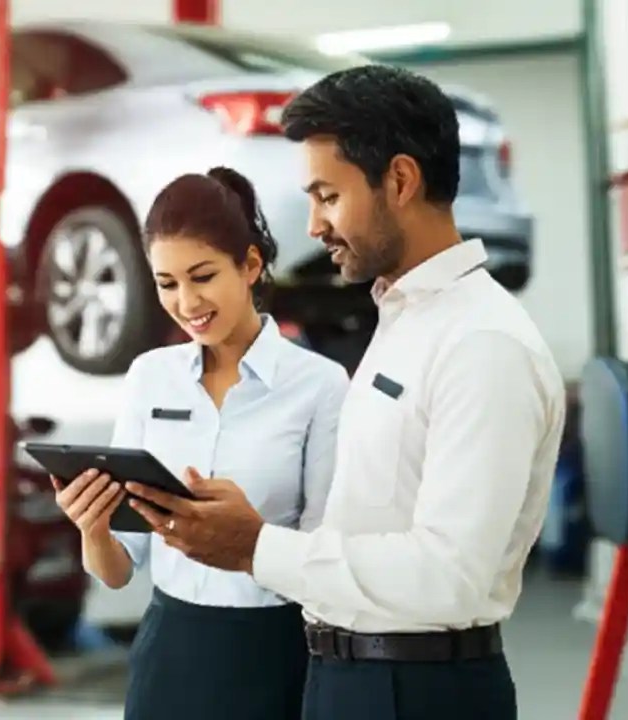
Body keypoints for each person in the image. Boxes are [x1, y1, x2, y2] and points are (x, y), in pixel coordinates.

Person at [124, 66, 567, 720]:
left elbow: (450, 575)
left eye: (327, 196)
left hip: (416, 692)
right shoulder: (407, 321)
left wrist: (254, 546)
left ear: (399, 180)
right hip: (347, 677)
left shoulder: (482, 343)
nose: (311, 225)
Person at [51, 167, 350, 719]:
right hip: (171, 650)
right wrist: (91, 526)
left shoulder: (321, 384)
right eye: (167, 283)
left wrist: (248, 539)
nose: (186, 302)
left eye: (202, 276)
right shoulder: (149, 377)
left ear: (251, 265)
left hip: (277, 652)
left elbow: (324, 560)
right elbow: (118, 572)